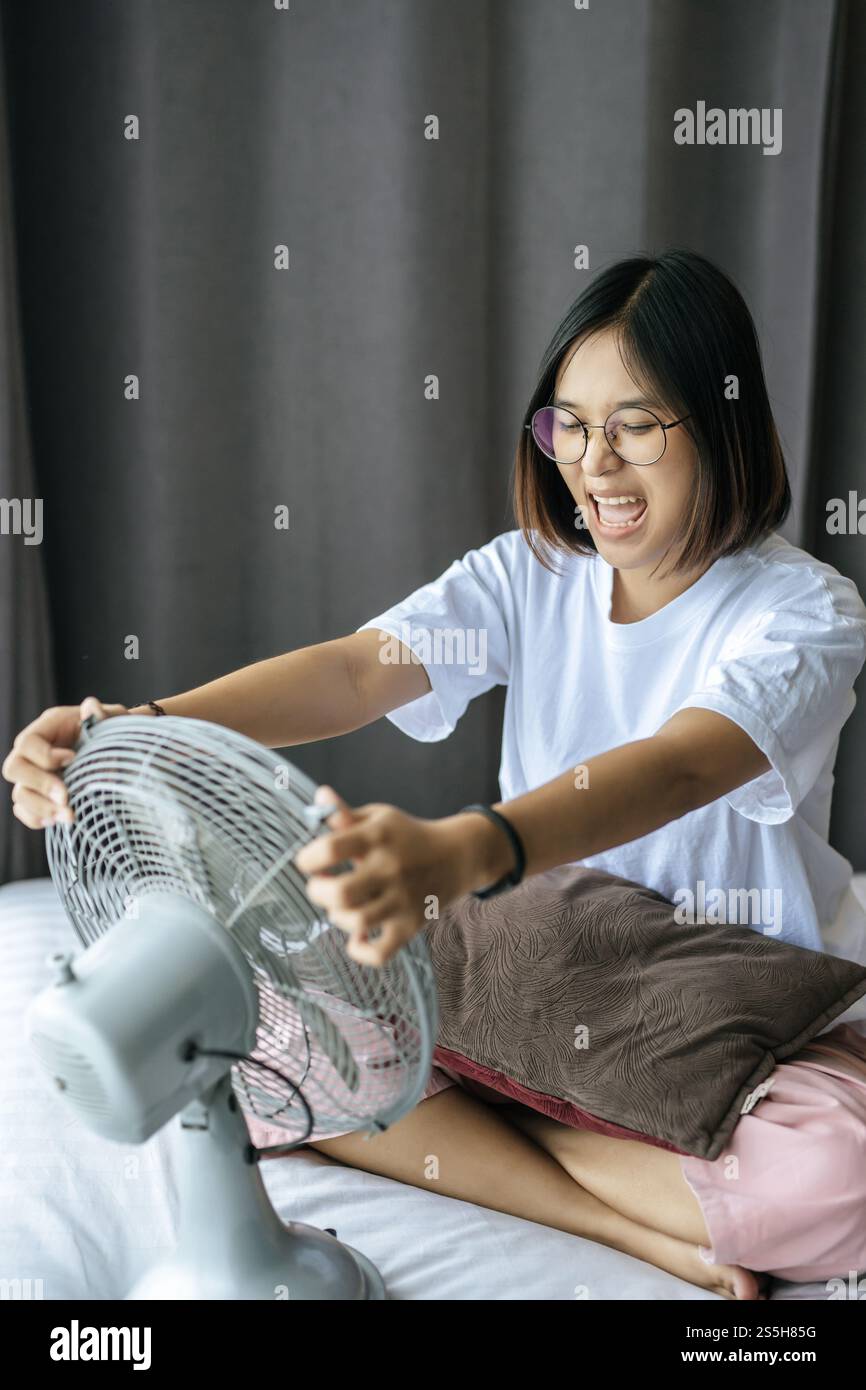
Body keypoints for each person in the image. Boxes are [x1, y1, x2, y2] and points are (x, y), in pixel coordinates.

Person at [6, 250, 866, 1300]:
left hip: (717, 1004)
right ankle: (616, 1217)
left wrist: (472, 849)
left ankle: (500, 1125)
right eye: (568, 426)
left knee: (838, 1181)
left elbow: (683, 764)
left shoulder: (806, 613)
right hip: (532, 970)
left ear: (723, 424)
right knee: (248, 1041)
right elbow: (356, 670)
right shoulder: (531, 573)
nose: (594, 466)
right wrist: (135, 727)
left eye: (636, 426)